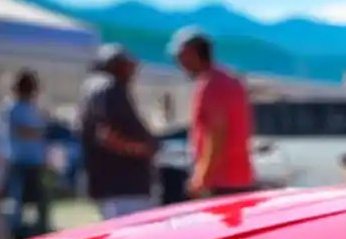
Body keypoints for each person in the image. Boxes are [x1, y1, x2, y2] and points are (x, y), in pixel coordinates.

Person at [167, 26, 256, 197]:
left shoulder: (211, 85)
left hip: (220, 180)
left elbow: (217, 134)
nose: (180, 63)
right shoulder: (229, 79)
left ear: (193, 53)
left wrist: (202, 178)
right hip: (240, 176)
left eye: (180, 57)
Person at [79, 44, 158, 220]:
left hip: (108, 184)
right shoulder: (109, 88)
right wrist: (143, 150)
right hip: (124, 185)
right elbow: (107, 134)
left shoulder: (92, 87)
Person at [0, 69, 51, 237]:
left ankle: (41, 229)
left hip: (35, 161)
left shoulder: (33, 108)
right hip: (18, 160)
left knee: (41, 199)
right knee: (17, 200)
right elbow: (23, 131)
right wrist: (39, 131)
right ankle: (16, 231)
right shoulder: (11, 108)